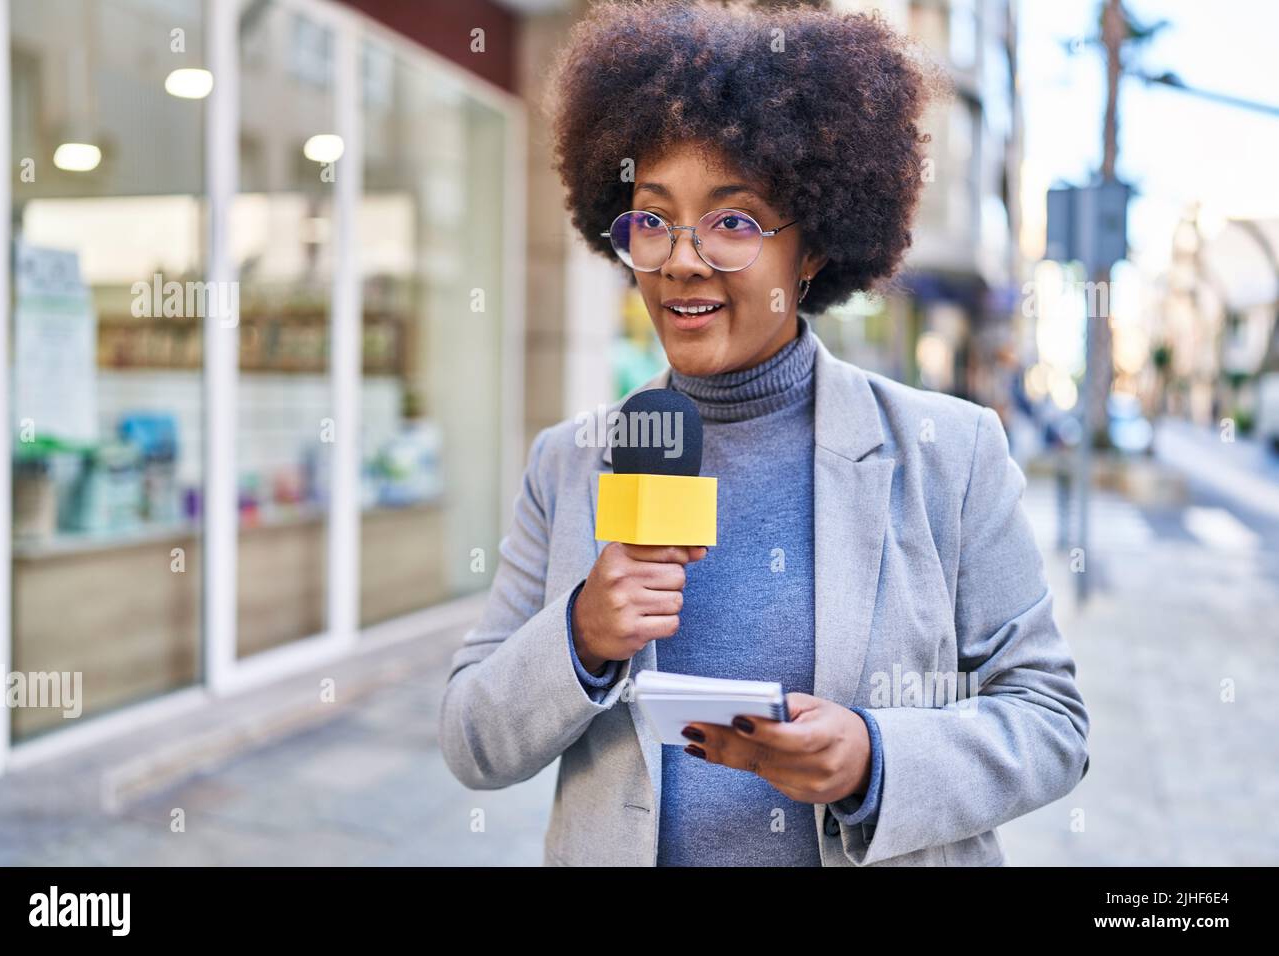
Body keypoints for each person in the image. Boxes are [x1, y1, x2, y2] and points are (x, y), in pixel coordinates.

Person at [439, 0, 1089, 866]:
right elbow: (471, 738)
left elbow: (1052, 721)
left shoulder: (951, 455)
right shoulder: (568, 464)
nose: (681, 258)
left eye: (733, 222)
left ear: (811, 250)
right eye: (652, 219)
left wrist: (874, 762)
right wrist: (582, 635)